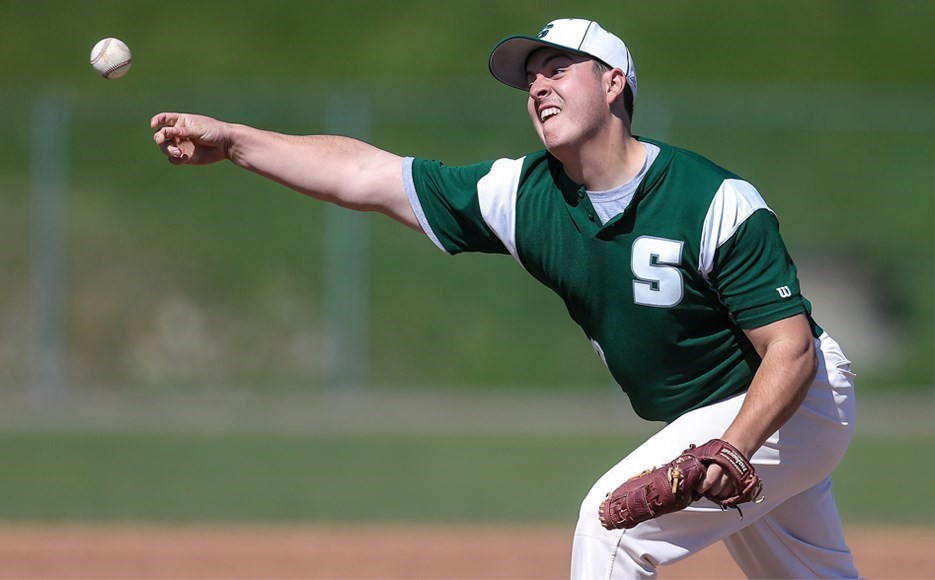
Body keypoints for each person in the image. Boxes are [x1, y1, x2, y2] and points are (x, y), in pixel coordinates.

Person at [151, 17, 859, 579]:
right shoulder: (525, 196)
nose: (538, 87)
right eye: (529, 79)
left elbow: (790, 350)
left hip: (794, 399)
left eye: (558, 68)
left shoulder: (712, 200)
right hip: (718, 420)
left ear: (614, 83)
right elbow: (369, 176)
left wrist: (727, 452)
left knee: (612, 531)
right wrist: (238, 141)